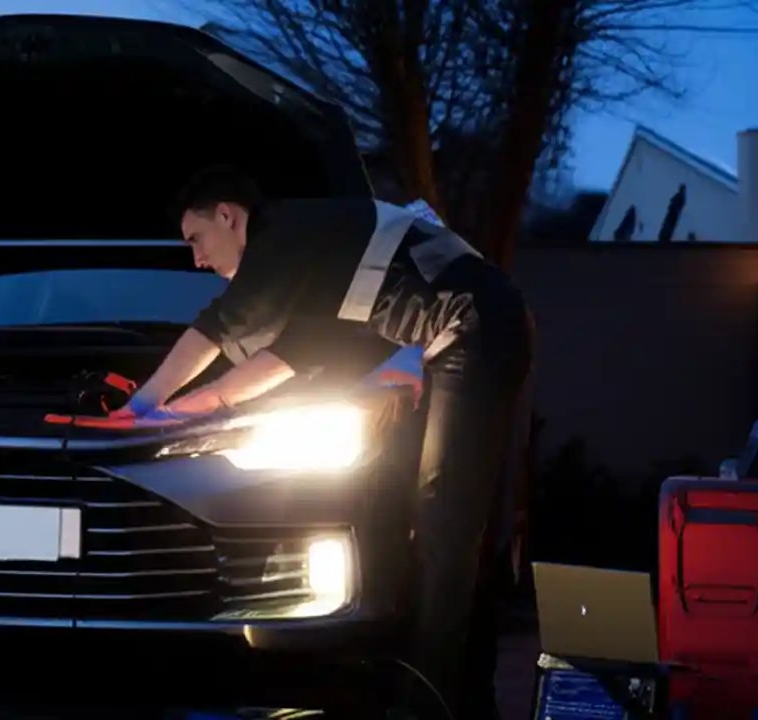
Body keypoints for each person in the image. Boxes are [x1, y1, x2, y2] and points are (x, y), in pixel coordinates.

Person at [114, 166, 535, 719]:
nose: (197, 259)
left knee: (443, 520)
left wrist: (140, 408)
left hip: (474, 329)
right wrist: (184, 411)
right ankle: (454, 688)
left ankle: (429, 703)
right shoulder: (332, 256)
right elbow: (295, 354)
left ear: (228, 215)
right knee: (428, 520)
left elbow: (222, 323)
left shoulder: (286, 232)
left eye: (196, 239)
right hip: (471, 332)